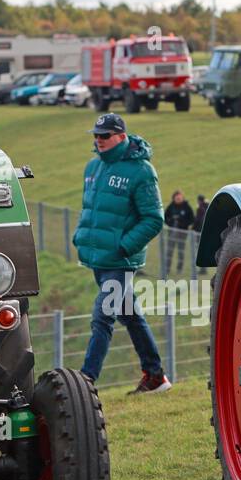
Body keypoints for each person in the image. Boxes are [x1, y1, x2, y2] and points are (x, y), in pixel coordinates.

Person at [73, 113, 171, 393]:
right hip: (98, 259)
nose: (98, 140)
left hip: (120, 261)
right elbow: (89, 210)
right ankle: (155, 376)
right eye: (96, 135)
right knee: (130, 315)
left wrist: (124, 247)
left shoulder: (141, 171)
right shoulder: (92, 167)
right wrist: (80, 236)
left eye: (104, 135)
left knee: (102, 316)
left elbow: (153, 219)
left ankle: (86, 382)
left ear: (121, 136)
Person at [162, 189, 195, 276]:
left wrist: (184, 224)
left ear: (182, 198)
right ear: (174, 198)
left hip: (182, 234)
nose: (178, 199)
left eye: (180, 198)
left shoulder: (187, 207)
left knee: (181, 252)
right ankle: (167, 269)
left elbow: (192, 219)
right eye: (176, 198)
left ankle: (179, 269)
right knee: (169, 251)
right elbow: (165, 217)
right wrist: (170, 223)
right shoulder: (171, 206)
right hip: (171, 233)